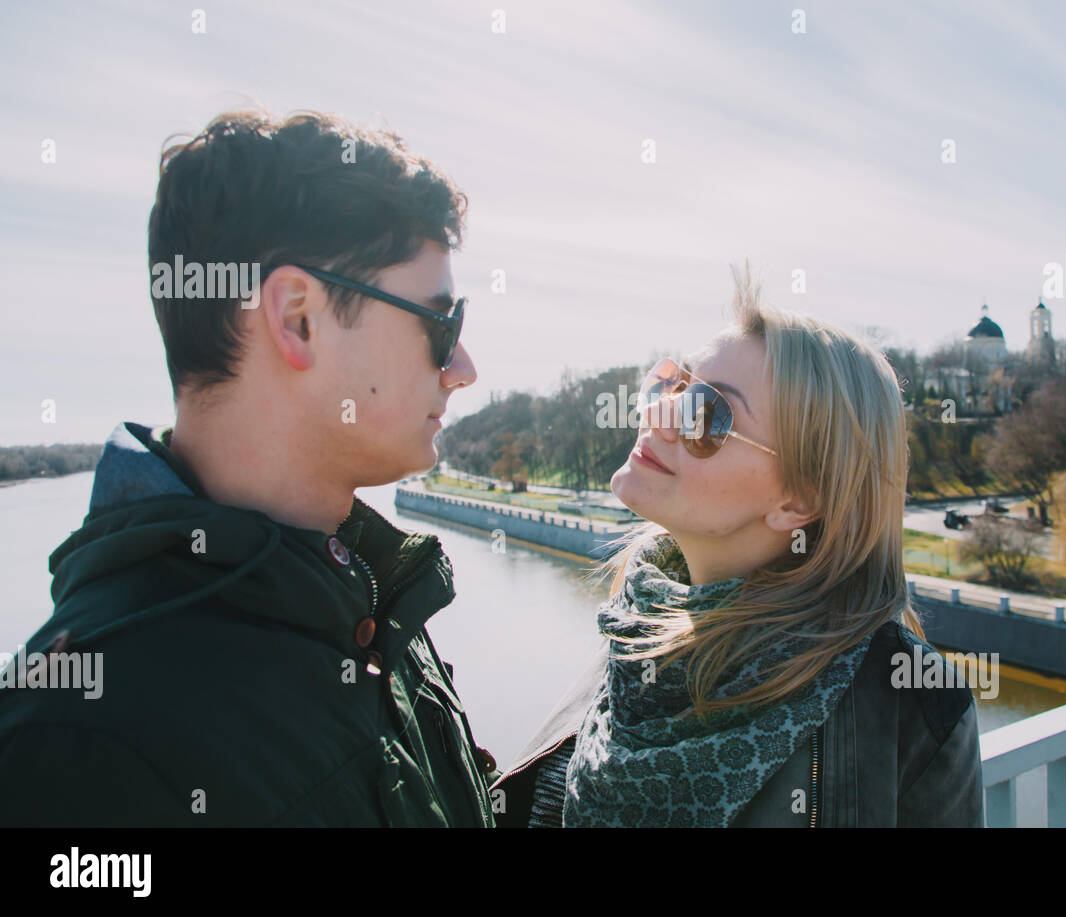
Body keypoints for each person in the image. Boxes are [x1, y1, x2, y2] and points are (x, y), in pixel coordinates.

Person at [0, 110, 497, 826]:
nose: (463, 369)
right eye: (440, 325)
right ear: (297, 318)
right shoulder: (72, 745)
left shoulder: (362, 592)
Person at [493, 265, 984, 827]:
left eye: (706, 414)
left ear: (798, 501)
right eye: (674, 386)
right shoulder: (637, 627)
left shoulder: (912, 704)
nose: (656, 413)